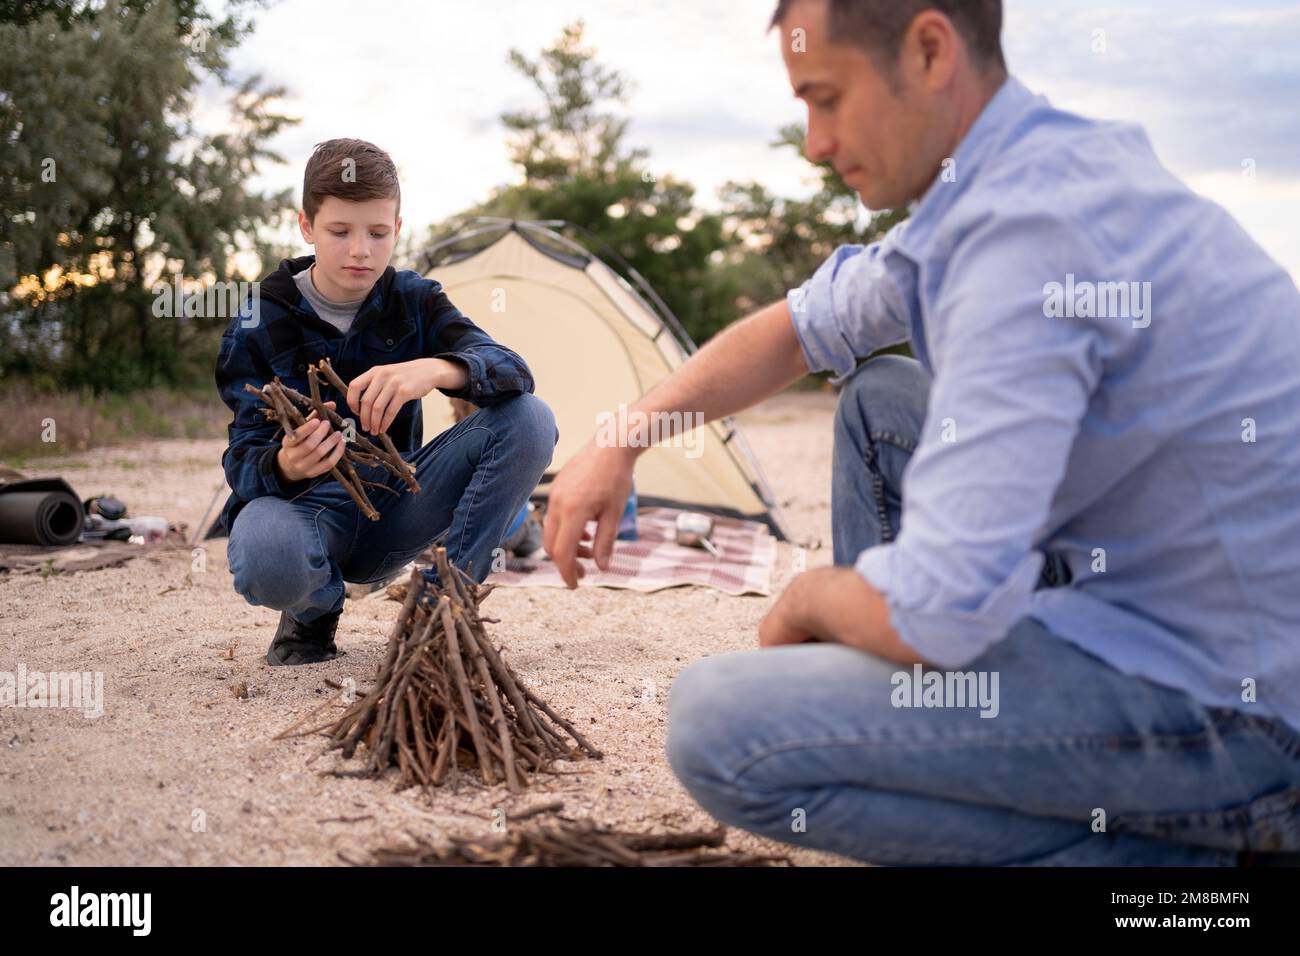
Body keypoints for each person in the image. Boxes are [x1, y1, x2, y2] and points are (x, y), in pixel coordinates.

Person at [542, 0, 1300, 865]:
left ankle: (1203, 866)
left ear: (930, 49)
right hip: (1155, 597)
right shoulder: (1013, 179)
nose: (814, 142)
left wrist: (811, 598)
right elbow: (796, 330)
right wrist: (625, 434)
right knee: (882, 397)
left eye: (825, 97)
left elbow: (936, 613)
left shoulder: (1024, 235)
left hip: (1243, 707)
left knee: (722, 725)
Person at [216, 138, 557, 666]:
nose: (361, 251)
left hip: (397, 507)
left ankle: (442, 606)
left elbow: (515, 371)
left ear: (397, 230)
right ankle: (314, 613)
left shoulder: (414, 299)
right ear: (306, 226)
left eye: (378, 233)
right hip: (305, 515)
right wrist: (282, 464)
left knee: (530, 420)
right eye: (340, 232)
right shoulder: (259, 317)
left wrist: (435, 368)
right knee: (266, 551)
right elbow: (241, 462)